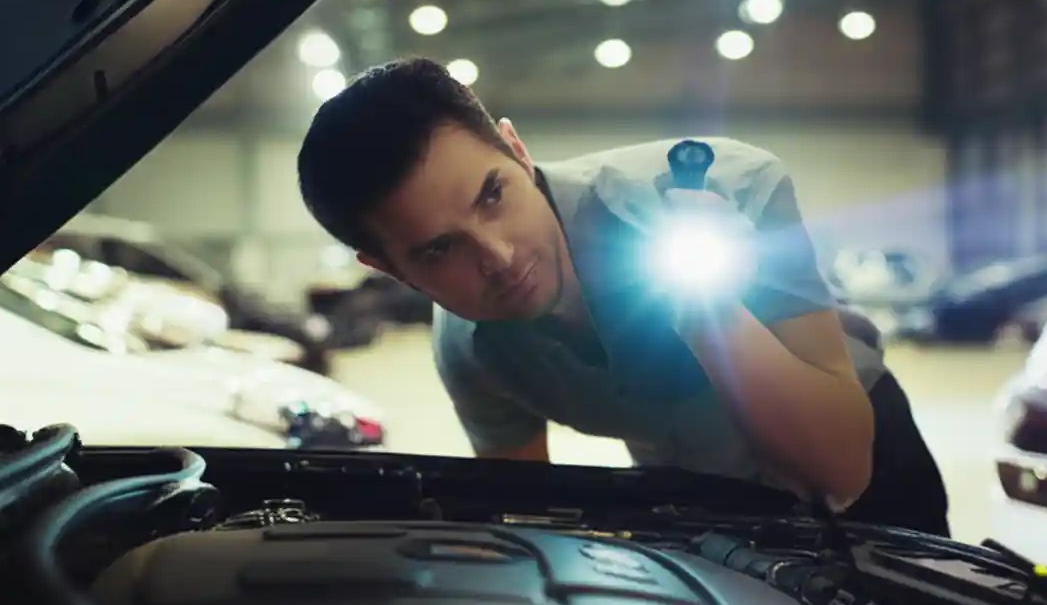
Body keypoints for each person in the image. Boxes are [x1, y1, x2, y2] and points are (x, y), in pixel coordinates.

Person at [297, 57, 949, 535]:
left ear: (519, 151)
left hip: (865, 451)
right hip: (698, 504)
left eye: (493, 195)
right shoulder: (472, 352)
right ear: (387, 268)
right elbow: (524, 517)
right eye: (440, 249)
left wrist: (709, 308)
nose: (498, 259)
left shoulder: (731, 189)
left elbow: (838, 472)